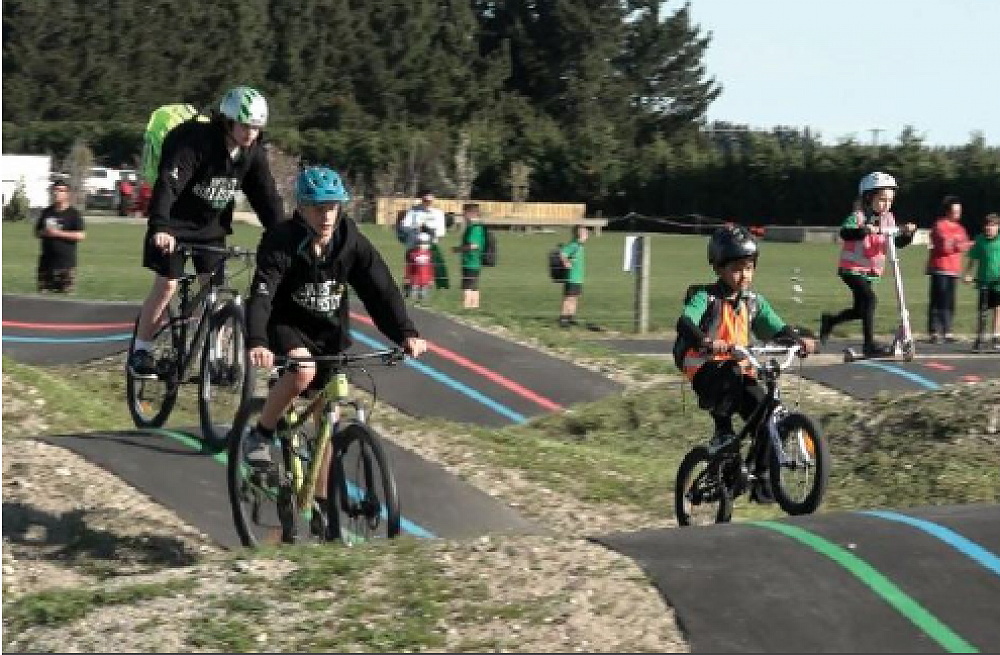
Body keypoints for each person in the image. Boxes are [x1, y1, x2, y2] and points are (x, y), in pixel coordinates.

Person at [243, 166, 427, 508]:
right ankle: (260, 434)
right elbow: (262, 294)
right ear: (301, 208)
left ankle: (322, 504)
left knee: (328, 416)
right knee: (303, 371)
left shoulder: (349, 239)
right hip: (286, 324)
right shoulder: (281, 240)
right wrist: (257, 340)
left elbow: (380, 288)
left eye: (332, 207)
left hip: (329, 332)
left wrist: (405, 333)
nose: (326, 215)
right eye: (317, 208)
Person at [127, 85, 284, 377]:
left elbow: (267, 198)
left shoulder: (251, 155)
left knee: (217, 293)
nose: (251, 133)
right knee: (167, 285)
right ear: (228, 120)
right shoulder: (194, 141)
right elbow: (168, 184)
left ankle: (218, 358)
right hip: (172, 225)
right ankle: (141, 350)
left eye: (257, 128)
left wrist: (284, 236)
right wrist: (160, 226)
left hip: (210, 230)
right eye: (245, 125)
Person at [676, 225, 816, 500]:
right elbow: (685, 321)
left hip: (740, 366)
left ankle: (763, 479)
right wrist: (705, 341)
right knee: (730, 372)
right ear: (718, 269)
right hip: (705, 367)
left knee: (765, 415)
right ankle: (722, 431)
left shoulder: (753, 302)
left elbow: (777, 328)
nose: (744, 276)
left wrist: (801, 340)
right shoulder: (706, 297)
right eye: (737, 269)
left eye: (749, 268)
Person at [818, 172, 917, 357]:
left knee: (860, 310)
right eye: (882, 200)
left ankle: (830, 321)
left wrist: (908, 234)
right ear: (868, 197)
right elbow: (845, 233)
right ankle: (868, 344)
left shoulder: (889, 219)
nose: (886, 204)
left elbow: (896, 243)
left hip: (870, 272)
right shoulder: (858, 216)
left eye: (890, 200)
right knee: (870, 300)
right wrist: (864, 230)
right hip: (852, 269)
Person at [926, 195, 972, 343]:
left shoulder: (960, 228)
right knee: (938, 301)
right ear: (948, 211)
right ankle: (934, 332)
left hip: (953, 270)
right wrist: (956, 244)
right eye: (955, 211)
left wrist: (956, 243)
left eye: (960, 211)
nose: (958, 213)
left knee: (950, 301)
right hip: (940, 269)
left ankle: (948, 331)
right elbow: (944, 246)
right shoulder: (939, 225)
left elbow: (964, 245)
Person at [35, 179, 86, 293]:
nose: (56, 193)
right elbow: (37, 232)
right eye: (55, 190)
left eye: (60, 190)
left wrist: (58, 233)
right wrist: (45, 232)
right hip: (46, 263)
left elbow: (81, 235)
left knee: (66, 302)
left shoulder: (73, 214)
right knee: (42, 299)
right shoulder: (46, 212)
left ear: (67, 194)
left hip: (66, 264)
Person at [963, 212, 1000, 351]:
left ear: (998, 227)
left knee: (997, 309)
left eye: (992, 225)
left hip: (997, 282)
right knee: (983, 310)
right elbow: (973, 259)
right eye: (987, 225)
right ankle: (980, 338)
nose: (989, 228)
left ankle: (996, 337)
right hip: (983, 280)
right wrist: (968, 274)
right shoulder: (980, 240)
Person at [399, 190, 448, 291]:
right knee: (411, 269)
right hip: (413, 245)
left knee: (427, 271)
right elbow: (404, 226)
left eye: (430, 201)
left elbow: (441, 232)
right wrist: (416, 228)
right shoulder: (413, 211)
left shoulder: (438, 213)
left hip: (429, 246)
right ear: (422, 199)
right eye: (425, 200)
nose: (428, 203)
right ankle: (409, 290)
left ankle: (426, 292)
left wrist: (430, 231)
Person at [455, 203, 486, 309]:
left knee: (467, 286)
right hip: (475, 261)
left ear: (470, 213)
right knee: (474, 285)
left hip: (471, 261)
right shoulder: (477, 227)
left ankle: (467, 306)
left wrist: (458, 249)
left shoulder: (474, 228)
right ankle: (474, 307)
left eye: (464, 213)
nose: (463, 216)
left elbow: (474, 245)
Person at [558, 225, 589, 327]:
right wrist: (566, 262)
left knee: (575, 298)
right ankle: (563, 318)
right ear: (578, 235)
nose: (586, 235)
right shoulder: (574, 245)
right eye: (584, 233)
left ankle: (571, 317)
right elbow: (563, 253)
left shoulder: (580, 246)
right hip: (572, 277)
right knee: (569, 298)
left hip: (578, 277)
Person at [405, 232, 435, 302]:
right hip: (415, 279)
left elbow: (431, 268)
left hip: (425, 280)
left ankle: (424, 304)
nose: (424, 245)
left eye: (426, 243)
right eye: (422, 243)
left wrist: (431, 279)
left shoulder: (429, 254)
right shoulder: (413, 254)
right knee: (413, 296)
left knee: (424, 297)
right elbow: (409, 267)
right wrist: (407, 277)